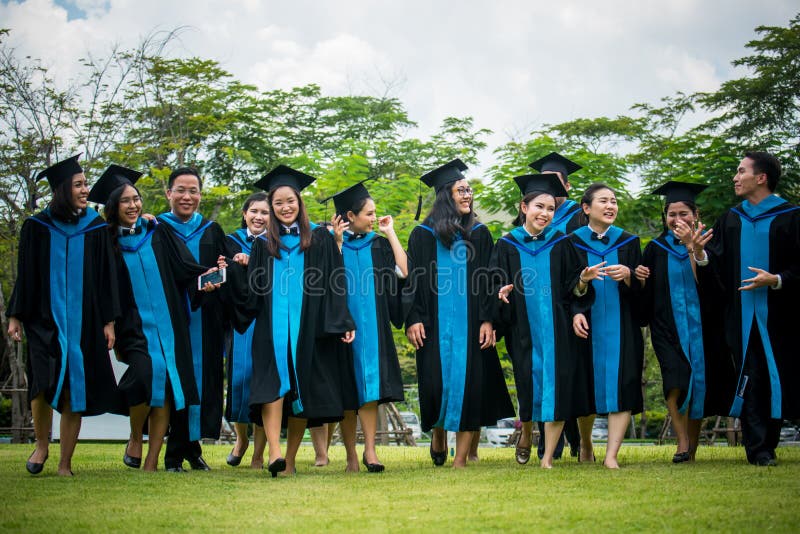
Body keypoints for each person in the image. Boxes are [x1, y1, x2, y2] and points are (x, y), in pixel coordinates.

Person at [227, 165, 356, 477]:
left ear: (300, 203)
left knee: (302, 392)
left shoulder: (321, 240)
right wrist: (232, 272)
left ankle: (292, 460)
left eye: (290, 201)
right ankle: (274, 451)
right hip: (271, 333)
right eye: (278, 203)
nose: (285, 208)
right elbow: (253, 293)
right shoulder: (261, 245)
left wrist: (343, 320)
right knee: (272, 387)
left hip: (307, 331)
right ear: (271, 208)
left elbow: (335, 281)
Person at [88, 165, 217, 472]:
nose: (133, 205)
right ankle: (135, 436)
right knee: (146, 374)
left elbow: (185, 267)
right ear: (113, 207)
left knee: (170, 388)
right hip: (132, 328)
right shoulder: (104, 241)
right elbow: (100, 287)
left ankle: (150, 461)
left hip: (170, 324)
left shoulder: (157, 232)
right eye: (125, 201)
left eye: (136, 199)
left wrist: (206, 280)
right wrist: (108, 322)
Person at [7, 155, 120, 476]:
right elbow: (26, 274)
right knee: (41, 385)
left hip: (85, 322)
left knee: (75, 387)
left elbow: (105, 276)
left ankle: (65, 462)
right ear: (62, 190)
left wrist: (109, 321)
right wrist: (15, 315)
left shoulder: (95, 227)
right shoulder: (36, 226)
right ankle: (41, 445)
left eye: (85, 183)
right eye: (79, 184)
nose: (86, 189)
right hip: (44, 321)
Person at [405, 159, 514, 468]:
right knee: (436, 385)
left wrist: (488, 319)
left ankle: (461, 460)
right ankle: (438, 434)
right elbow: (413, 279)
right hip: (434, 325)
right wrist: (412, 318)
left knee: (472, 386)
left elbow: (489, 279)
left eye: (470, 190)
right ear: (445, 196)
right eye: (461, 190)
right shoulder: (422, 236)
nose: (468, 195)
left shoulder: (479, 234)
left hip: (470, 325)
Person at [693, 152, 800, 466]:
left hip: (782, 317)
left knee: (774, 378)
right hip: (741, 316)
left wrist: (777, 279)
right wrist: (699, 254)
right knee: (750, 376)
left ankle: (767, 443)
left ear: (761, 177)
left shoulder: (792, 216)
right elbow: (716, 265)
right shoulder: (731, 218)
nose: (735, 178)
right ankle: (758, 449)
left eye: (741, 171)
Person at [492, 174, 597, 468]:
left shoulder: (564, 244)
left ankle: (548, 456)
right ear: (524, 207)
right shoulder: (507, 245)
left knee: (556, 387)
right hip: (521, 330)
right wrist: (499, 293)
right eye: (539, 206)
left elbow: (574, 288)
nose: (545, 214)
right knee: (528, 386)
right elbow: (493, 281)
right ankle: (525, 434)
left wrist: (582, 285)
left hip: (558, 330)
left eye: (551, 209)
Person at [634, 181, 733, 463]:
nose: (677, 220)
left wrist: (694, 249)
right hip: (666, 329)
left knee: (697, 384)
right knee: (674, 382)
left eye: (683, 213)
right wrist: (639, 280)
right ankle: (682, 440)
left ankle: (691, 447)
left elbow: (715, 288)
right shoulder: (654, 248)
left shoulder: (708, 244)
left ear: (696, 214)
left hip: (704, 329)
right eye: (671, 214)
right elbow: (646, 293)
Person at [325, 180, 408, 472]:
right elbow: (323, 283)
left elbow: (403, 271)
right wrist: (335, 243)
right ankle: (350, 455)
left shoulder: (378, 244)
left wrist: (390, 231)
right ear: (350, 216)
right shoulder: (329, 244)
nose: (375, 218)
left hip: (372, 329)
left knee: (370, 391)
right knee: (348, 393)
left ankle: (370, 451)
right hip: (342, 330)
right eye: (370, 213)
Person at [157, 167, 235, 472]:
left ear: (200, 195)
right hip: (171, 318)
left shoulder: (212, 230)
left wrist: (226, 267)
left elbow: (223, 265)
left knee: (202, 383)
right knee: (177, 382)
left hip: (205, 318)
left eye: (193, 191)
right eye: (181, 190)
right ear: (169, 194)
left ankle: (191, 448)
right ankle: (175, 452)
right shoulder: (157, 229)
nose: (187, 197)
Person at [570, 183, 644, 469]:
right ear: (587, 208)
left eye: (614, 201)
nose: (611, 206)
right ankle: (586, 444)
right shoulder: (571, 241)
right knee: (586, 386)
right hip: (586, 324)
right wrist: (582, 283)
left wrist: (628, 275)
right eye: (604, 201)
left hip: (622, 326)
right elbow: (566, 288)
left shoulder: (628, 241)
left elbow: (640, 290)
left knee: (623, 384)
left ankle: (611, 455)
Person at [528, 152, 584, 459]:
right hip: (535, 311)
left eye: (556, 183)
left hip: (565, 307)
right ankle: (549, 442)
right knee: (539, 374)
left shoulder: (577, 217)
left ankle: (574, 439)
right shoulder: (528, 224)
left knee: (566, 376)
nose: (547, 207)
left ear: (567, 185)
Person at [225, 192, 270, 469]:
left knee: (263, 386)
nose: (259, 217)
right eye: (254, 211)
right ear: (244, 214)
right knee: (239, 382)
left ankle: (258, 454)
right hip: (240, 321)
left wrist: (252, 262)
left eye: (265, 212)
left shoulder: (277, 244)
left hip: (267, 319)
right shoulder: (230, 241)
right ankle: (241, 440)